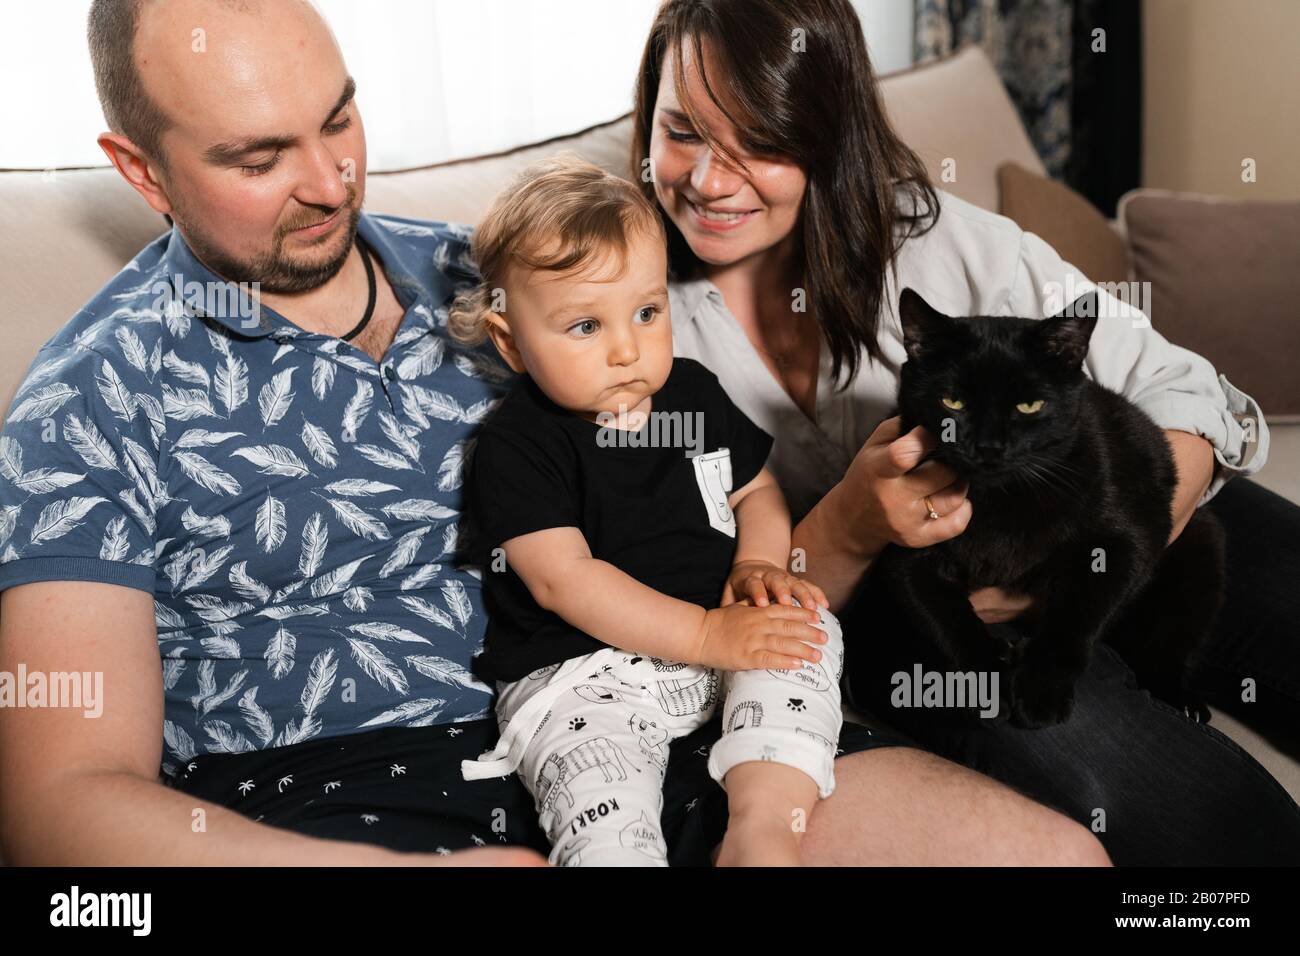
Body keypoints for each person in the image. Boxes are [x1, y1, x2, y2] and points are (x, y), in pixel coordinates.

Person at [0, 0, 1110, 867]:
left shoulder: (517, 284)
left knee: (1058, 856)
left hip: (668, 705)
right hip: (339, 799)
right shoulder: (91, 401)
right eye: (258, 158)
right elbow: (58, 809)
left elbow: (729, 512)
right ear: (141, 170)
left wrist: (800, 567)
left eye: (339, 117)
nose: (330, 179)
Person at [634, 0, 1300, 864]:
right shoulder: (625, 320)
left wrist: (1098, 561)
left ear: (830, 136)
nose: (711, 182)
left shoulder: (934, 238)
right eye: (682, 133)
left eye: (761, 143)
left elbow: (1188, 394)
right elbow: (702, 624)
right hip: (927, 626)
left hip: (1101, 521)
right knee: (1172, 801)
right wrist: (849, 525)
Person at [451, 155, 845, 866]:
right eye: (584, 327)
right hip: (584, 674)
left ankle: (763, 824)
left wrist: (757, 563)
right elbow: (561, 579)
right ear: (510, 341)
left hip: (719, 641)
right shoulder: (519, 444)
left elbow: (755, 490)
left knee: (806, 633)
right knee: (599, 790)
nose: (627, 349)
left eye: (646, 311)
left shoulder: (693, 393)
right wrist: (700, 635)